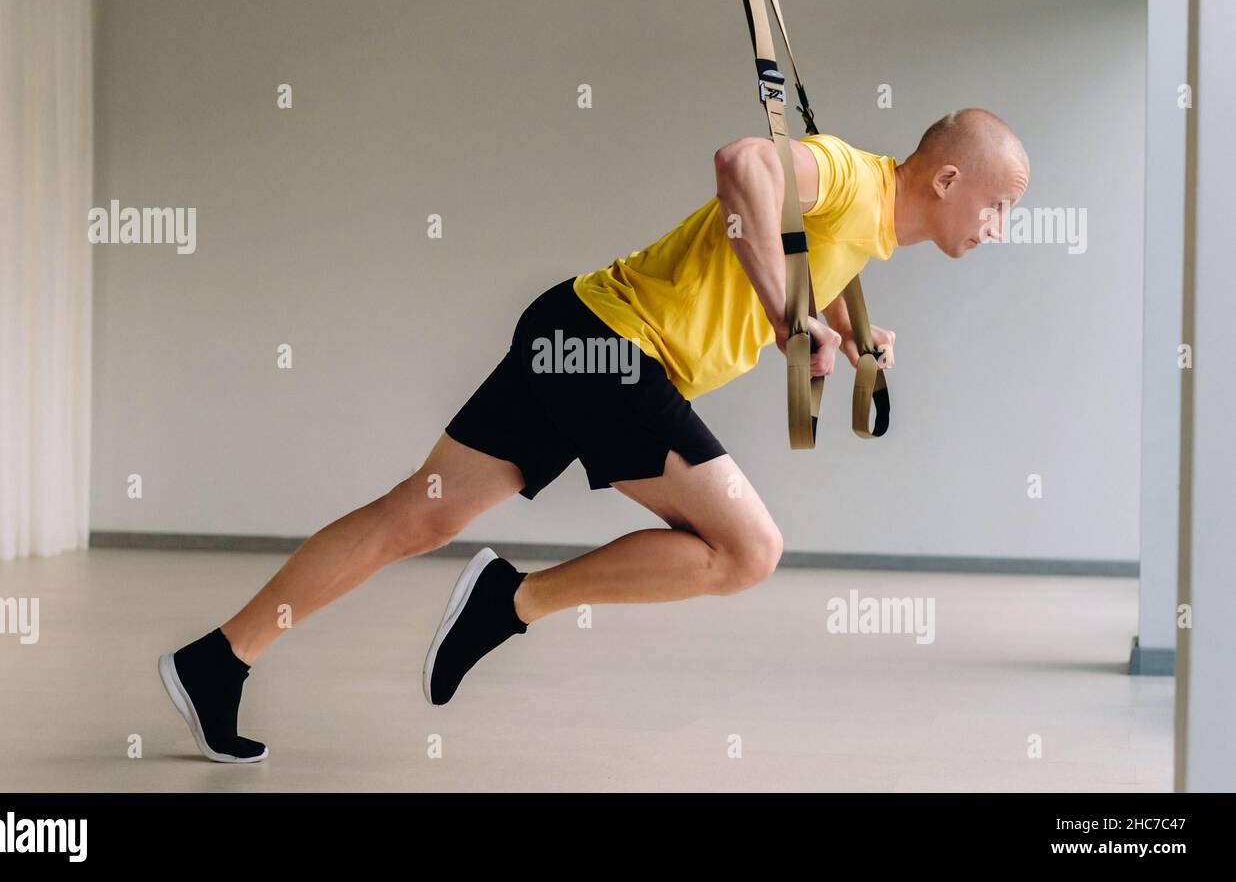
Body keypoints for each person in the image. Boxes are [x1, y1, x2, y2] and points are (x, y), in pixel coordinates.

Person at [159, 107, 1030, 762]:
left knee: (413, 517)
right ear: (948, 182)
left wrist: (838, 327)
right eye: (999, 206)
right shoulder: (846, 171)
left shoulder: (867, 222)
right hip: (609, 349)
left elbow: (807, 257)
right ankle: (513, 602)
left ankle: (218, 660)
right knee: (748, 550)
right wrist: (783, 313)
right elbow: (744, 165)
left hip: (573, 332)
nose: (999, 229)